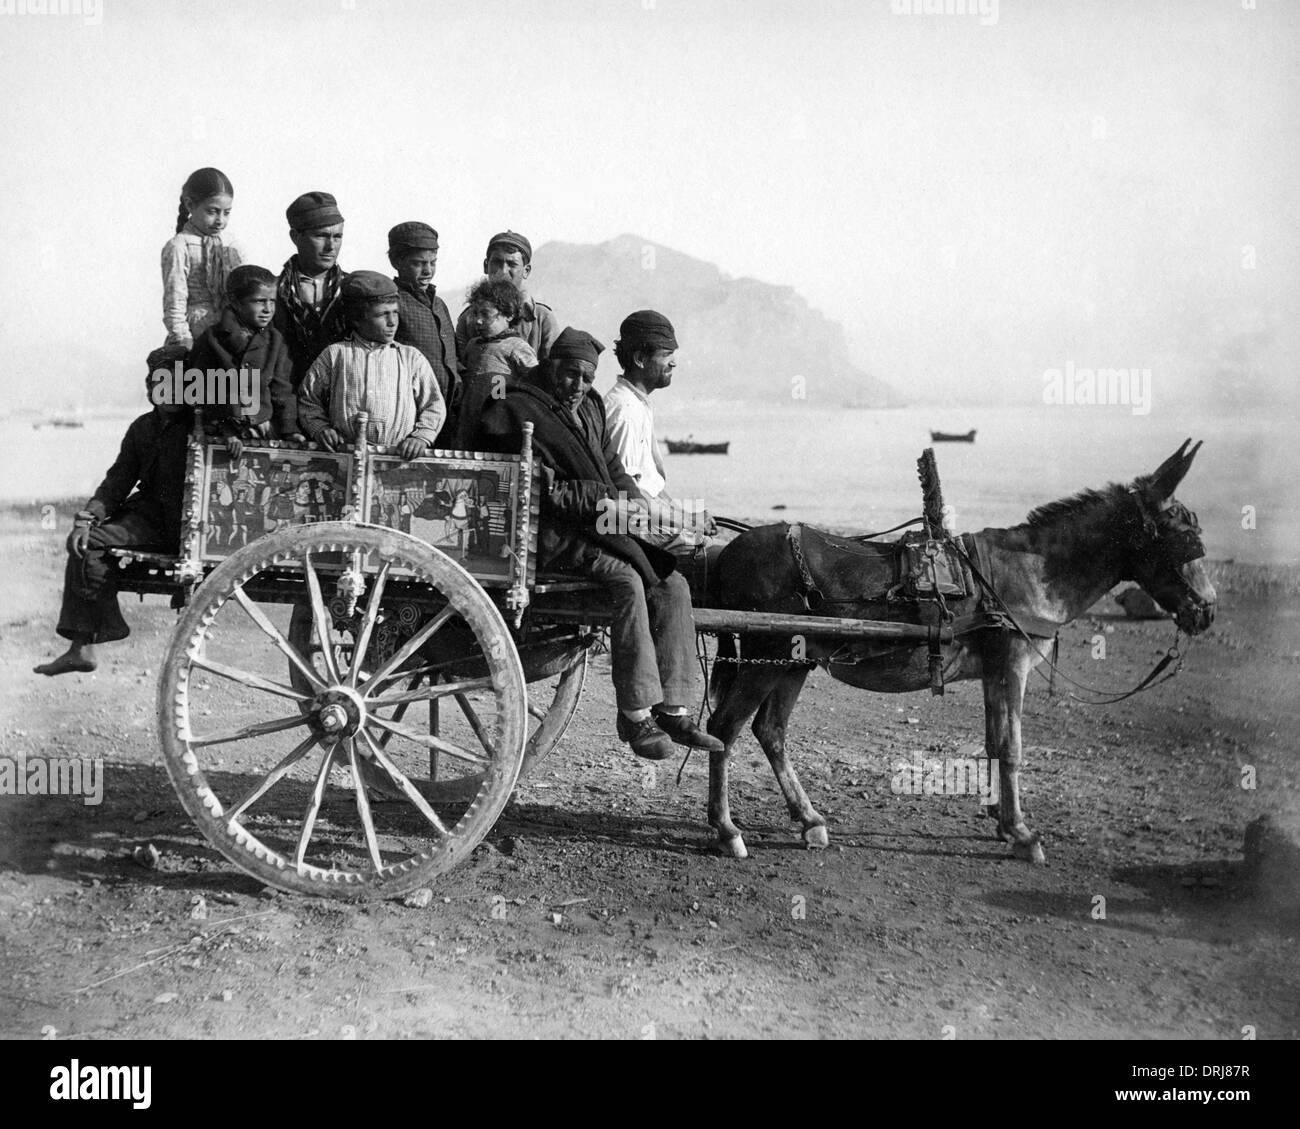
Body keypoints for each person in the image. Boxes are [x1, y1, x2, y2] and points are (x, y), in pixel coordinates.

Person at [477, 328, 723, 761]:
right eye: (571, 375)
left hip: (596, 522)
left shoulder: (589, 406)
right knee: (628, 579)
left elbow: (611, 466)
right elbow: (541, 490)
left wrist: (633, 503)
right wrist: (604, 502)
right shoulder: (517, 408)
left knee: (671, 581)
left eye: (587, 378)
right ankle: (634, 712)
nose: (579, 386)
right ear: (549, 365)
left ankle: (676, 708)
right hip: (548, 534)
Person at [34, 350, 193, 676]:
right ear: (151, 389)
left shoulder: (199, 427)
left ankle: (89, 641)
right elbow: (117, 481)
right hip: (148, 519)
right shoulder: (142, 428)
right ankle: (82, 648)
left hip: (186, 524)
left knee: (91, 544)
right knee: (84, 541)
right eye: (163, 384)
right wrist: (87, 517)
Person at [297, 271, 445, 457]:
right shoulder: (336, 354)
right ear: (357, 319)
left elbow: (434, 404)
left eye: (395, 313)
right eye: (383, 315)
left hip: (396, 459)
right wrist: (320, 428)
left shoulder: (411, 358)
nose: (392, 322)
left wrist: (421, 437)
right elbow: (308, 398)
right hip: (344, 456)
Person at [604, 310, 717, 550]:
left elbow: (650, 486)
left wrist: (686, 515)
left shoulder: (637, 403)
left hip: (649, 521)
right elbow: (628, 499)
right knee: (716, 556)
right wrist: (687, 521)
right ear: (640, 359)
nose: (674, 362)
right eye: (666, 355)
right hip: (635, 532)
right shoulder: (625, 412)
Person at [186, 264, 301, 456]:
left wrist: (290, 430)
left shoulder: (275, 341)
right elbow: (200, 391)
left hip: (263, 430)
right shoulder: (212, 340)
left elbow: (282, 390)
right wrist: (225, 430)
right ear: (235, 302)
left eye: (272, 301)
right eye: (259, 301)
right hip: (220, 433)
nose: (268, 309)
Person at [387, 221, 460, 445]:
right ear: (396, 261)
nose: (428, 270)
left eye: (432, 262)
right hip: (411, 419)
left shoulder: (439, 305)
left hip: (447, 417)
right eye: (418, 263)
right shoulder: (392, 302)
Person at [160, 167, 243, 356]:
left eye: (226, 212)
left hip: (230, 331)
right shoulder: (179, 246)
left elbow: (248, 288)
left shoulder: (233, 244)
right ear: (190, 205)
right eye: (213, 211)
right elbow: (174, 301)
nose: (220, 220)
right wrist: (183, 340)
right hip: (196, 334)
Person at [274, 191, 350, 389]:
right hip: (288, 395)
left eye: (337, 236)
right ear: (295, 236)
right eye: (321, 236)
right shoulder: (272, 292)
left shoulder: (352, 289)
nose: (330, 246)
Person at [454, 230, 561, 365]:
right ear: (486, 266)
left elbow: (553, 370)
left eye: (512, 264)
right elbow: (460, 366)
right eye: (497, 262)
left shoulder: (542, 318)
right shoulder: (469, 318)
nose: (503, 271)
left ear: (526, 271)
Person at [455, 278, 539, 449]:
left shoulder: (517, 347)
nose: (478, 321)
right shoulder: (472, 346)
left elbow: (535, 386)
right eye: (475, 313)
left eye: (485, 314)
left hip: (499, 430)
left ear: (509, 315)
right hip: (468, 424)